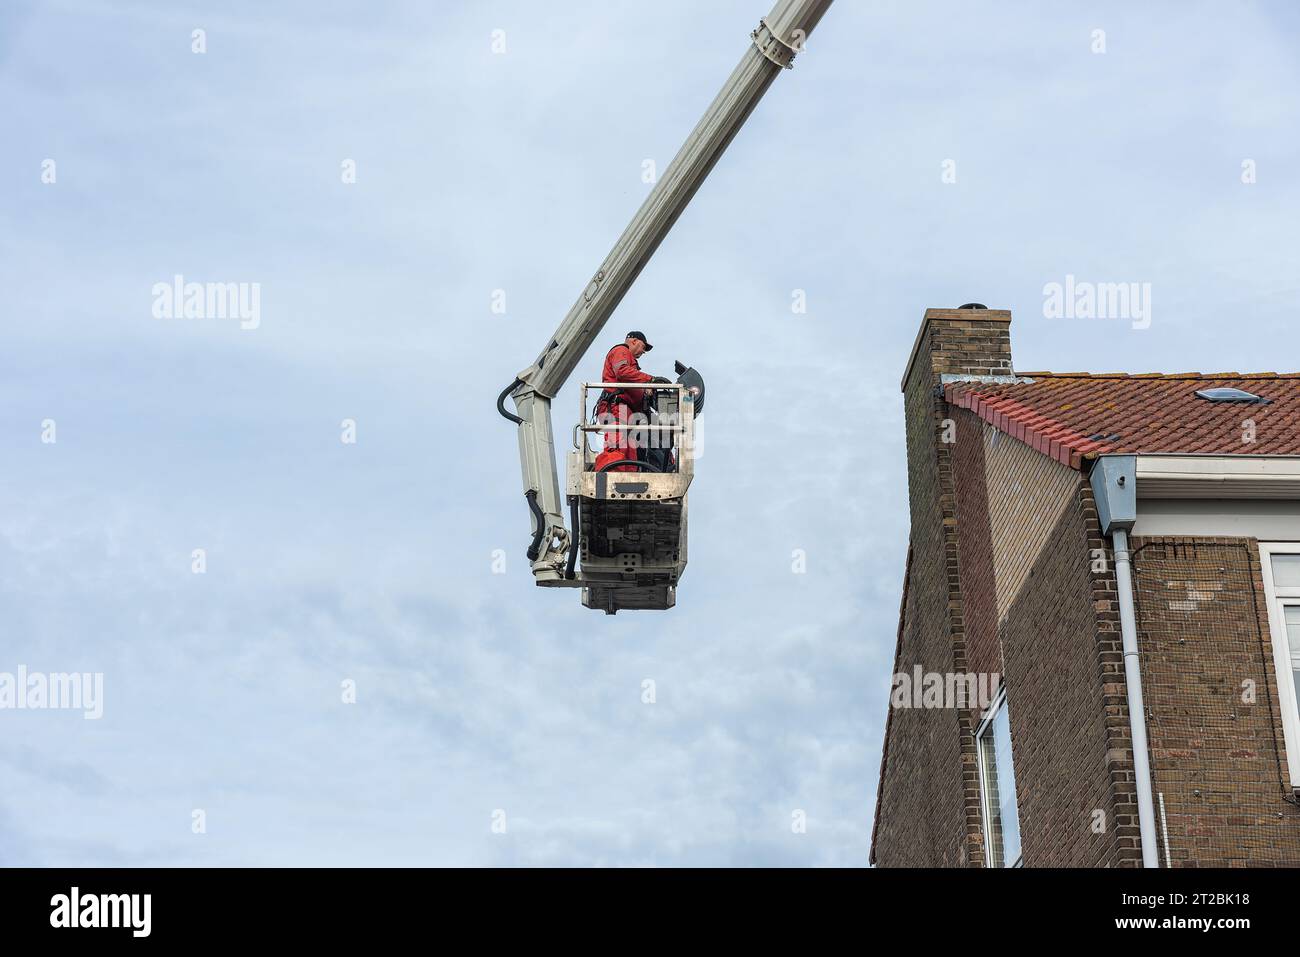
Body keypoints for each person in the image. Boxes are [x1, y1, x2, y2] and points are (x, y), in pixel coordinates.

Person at [593, 331, 670, 473]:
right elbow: (622, 371)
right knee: (617, 446)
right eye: (643, 347)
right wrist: (650, 380)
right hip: (617, 408)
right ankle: (612, 480)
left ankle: (628, 482)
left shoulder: (632, 365)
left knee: (630, 454)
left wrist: (646, 392)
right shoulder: (621, 350)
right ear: (634, 341)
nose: (643, 352)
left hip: (628, 413)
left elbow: (630, 382)